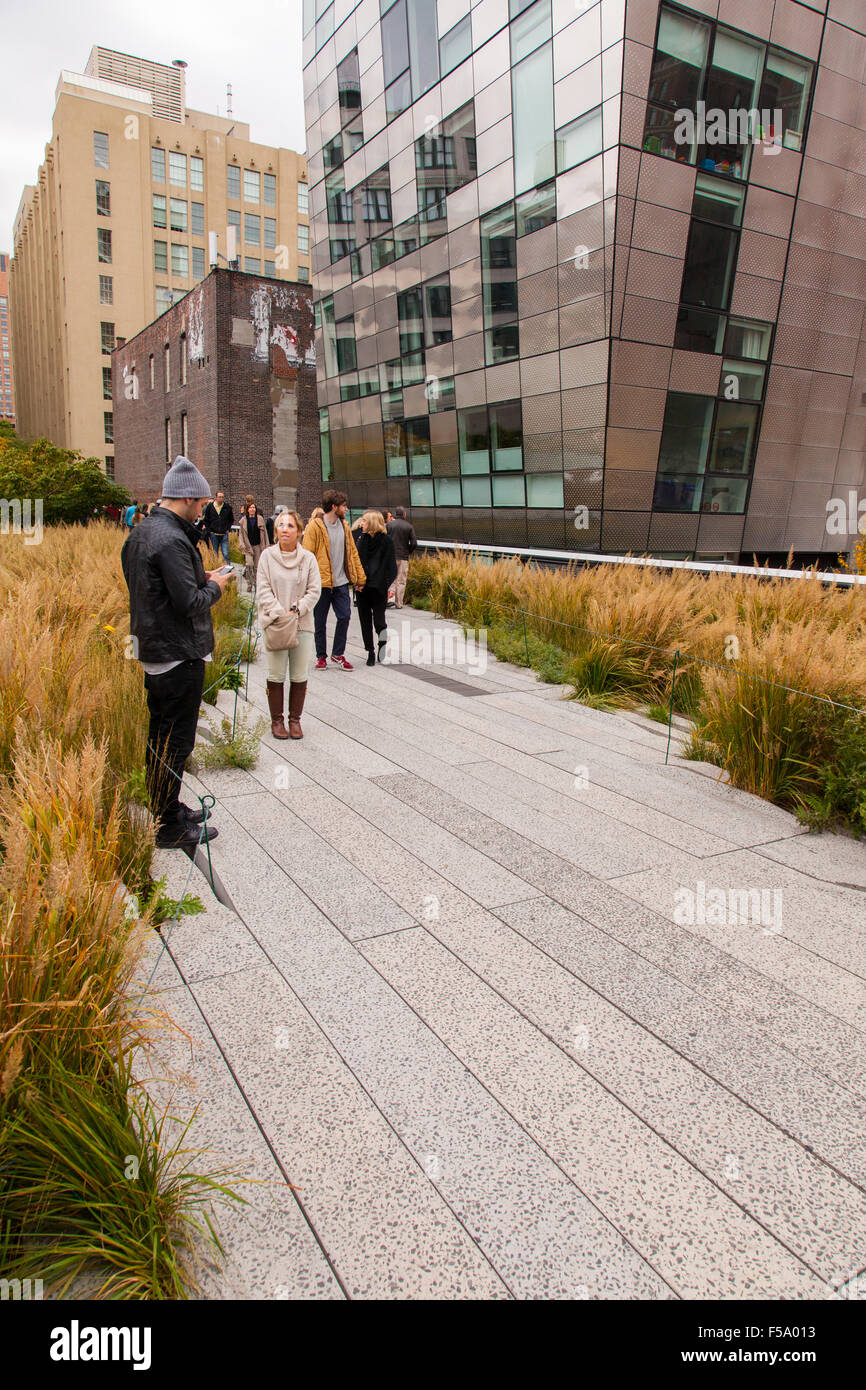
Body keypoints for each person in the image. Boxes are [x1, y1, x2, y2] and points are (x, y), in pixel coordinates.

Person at [121, 455, 231, 850]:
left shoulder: (143, 532)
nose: (203, 511)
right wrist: (216, 586)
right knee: (175, 741)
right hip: (178, 652)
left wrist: (201, 576)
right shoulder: (171, 538)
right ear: (186, 499)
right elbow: (189, 602)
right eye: (201, 504)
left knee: (160, 735)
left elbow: (156, 587)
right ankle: (168, 827)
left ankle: (167, 806)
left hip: (156, 649)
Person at [256, 510, 321, 739]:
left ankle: (295, 720)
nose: (285, 529)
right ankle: (277, 721)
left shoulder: (308, 559)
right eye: (281, 525)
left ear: (299, 531)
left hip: (301, 623)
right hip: (275, 623)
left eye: (290, 525)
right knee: (275, 674)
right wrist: (279, 612)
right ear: (276, 531)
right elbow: (262, 588)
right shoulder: (266, 557)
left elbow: (315, 590)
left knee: (299, 673)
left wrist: (298, 608)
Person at [302, 489, 366, 671]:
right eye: (344, 506)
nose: (346, 509)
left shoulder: (345, 527)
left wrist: (360, 579)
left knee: (345, 616)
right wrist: (306, 582)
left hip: (341, 582)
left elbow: (353, 553)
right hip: (321, 583)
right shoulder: (315, 527)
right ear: (334, 507)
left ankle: (338, 653)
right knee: (319, 621)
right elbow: (307, 555)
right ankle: (321, 656)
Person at [354, 511, 397, 666]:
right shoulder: (361, 539)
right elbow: (356, 562)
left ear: (372, 523)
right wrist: (357, 582)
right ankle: (370, 651)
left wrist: (384, 584)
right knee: (364, 621)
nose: (362, 524)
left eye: (364, 521)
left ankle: (382, 644)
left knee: (379, 621)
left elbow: (392, 567)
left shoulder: (386, 541)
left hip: (378, 588)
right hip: (363, 588)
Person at [386, 506, 418, 609]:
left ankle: (387, 599)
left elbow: (384, 540)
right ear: (404, 514)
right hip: (403, 556)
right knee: (401, 580)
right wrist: (408, 550)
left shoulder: (389, 525)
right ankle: (398, 603)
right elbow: (414, 543)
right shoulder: (409, 526)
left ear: (396, 514)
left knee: (389, 578)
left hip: (390, 556)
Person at [239, 496, 267, 589]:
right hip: (248, 546)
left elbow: (264, 533)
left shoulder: (260, 519)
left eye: (254, 507)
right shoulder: (243, 520)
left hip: (258, 545)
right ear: (247, 509)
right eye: (250, 507)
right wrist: (242, 545)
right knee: (249, 564)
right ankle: (249, 583)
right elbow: (241, 534)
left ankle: (256, 582)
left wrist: (265, 545)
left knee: (257, 566)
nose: (252, 509)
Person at [202, 490, 235, 562]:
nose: (221, 498)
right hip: (214, 534)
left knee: (225, 553)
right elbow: (206, 519)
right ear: (216, 497)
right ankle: (216, 568)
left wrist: (227, 528)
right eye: (219, 497)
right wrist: (209, 530)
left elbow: (231, 519)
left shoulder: (227, 507)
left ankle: (228, 569)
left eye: (222, 497)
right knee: (214, 553)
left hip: (224, 534)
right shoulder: (210, 507)